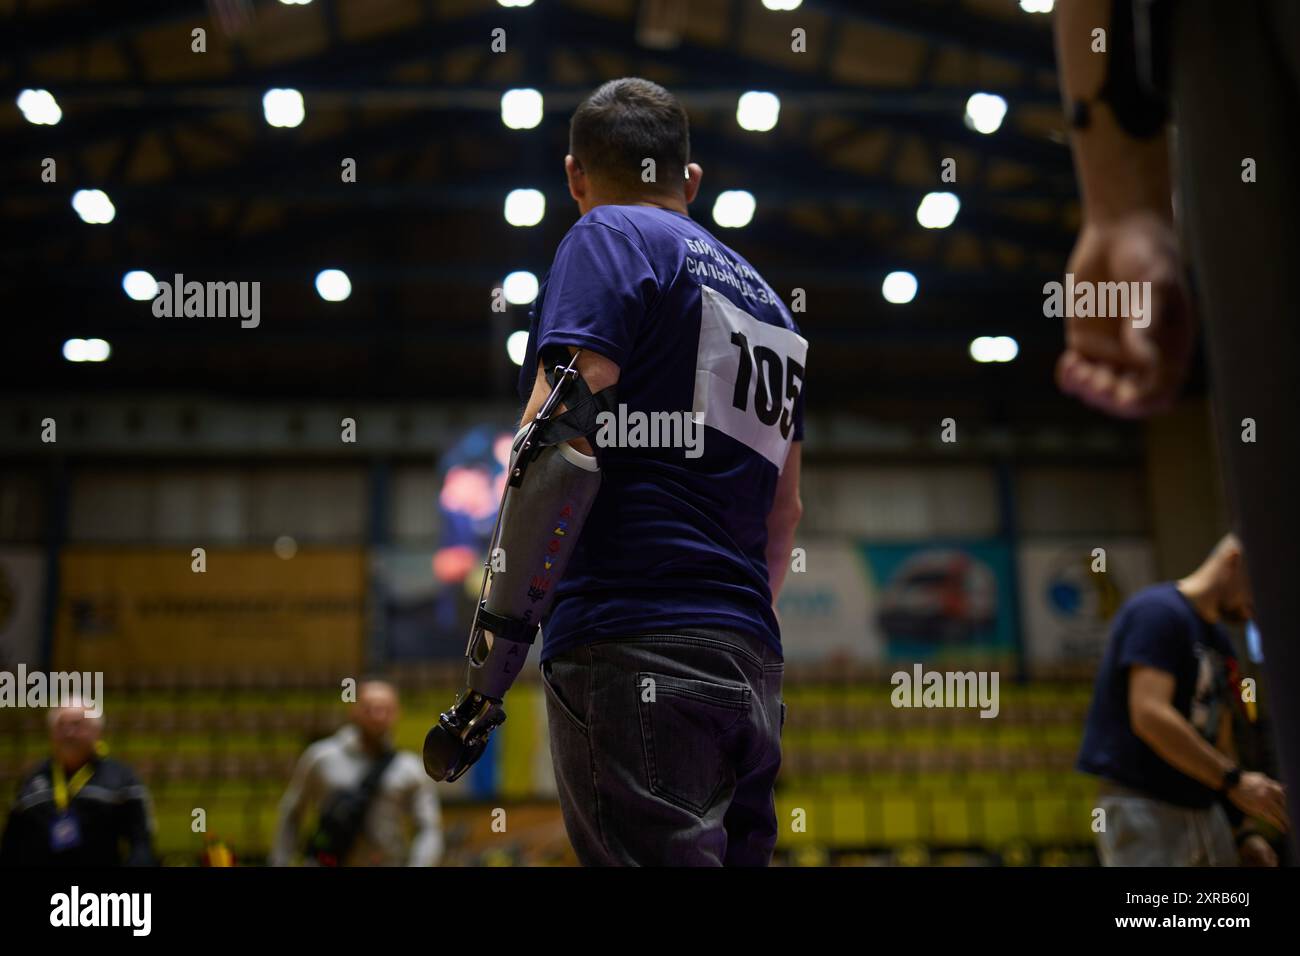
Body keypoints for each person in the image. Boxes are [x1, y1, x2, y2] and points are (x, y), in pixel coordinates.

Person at [424, 77, 806, 866]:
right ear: (691, 180)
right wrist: (725, 624)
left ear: (574, 177)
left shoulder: (608, 237)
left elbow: (554, 444)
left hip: (628, 642)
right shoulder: (772, 308)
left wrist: (485, 682)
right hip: (749, 665)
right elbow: (785, 514)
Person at [1053, 0, 1300, 855]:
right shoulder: (1162, 615)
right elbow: (1152, 718)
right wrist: (1121, 199)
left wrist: (1236, 815)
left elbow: (1214, 730)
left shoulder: (1209, 634)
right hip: (1156, 813)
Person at [1078, 534, 1288, 865]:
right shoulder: (1157, 612)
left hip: (1205, 805)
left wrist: (1243, 829)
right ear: (1235, 561)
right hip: (1145, 805)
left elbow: (1221, 738)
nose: (1254, 610)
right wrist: (1234, 781)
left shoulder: (1219, 640)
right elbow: (1149, 713)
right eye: (1257, 587)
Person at [272, 679, 442, 866]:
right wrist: (280, 861)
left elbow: (428, 828)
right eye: (370, 708)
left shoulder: (410, 768)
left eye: (385, 709)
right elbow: (291, 813)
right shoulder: (320, 757)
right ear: (354, 711)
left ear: (396, 714)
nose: (378, 715)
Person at [0, 701, 155, 867]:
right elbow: (11, 847)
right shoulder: (30, 781)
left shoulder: (122, 779)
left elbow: (141, 844)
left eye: (77, 725)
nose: (68, 732)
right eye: (61, 725)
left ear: (96, 731)